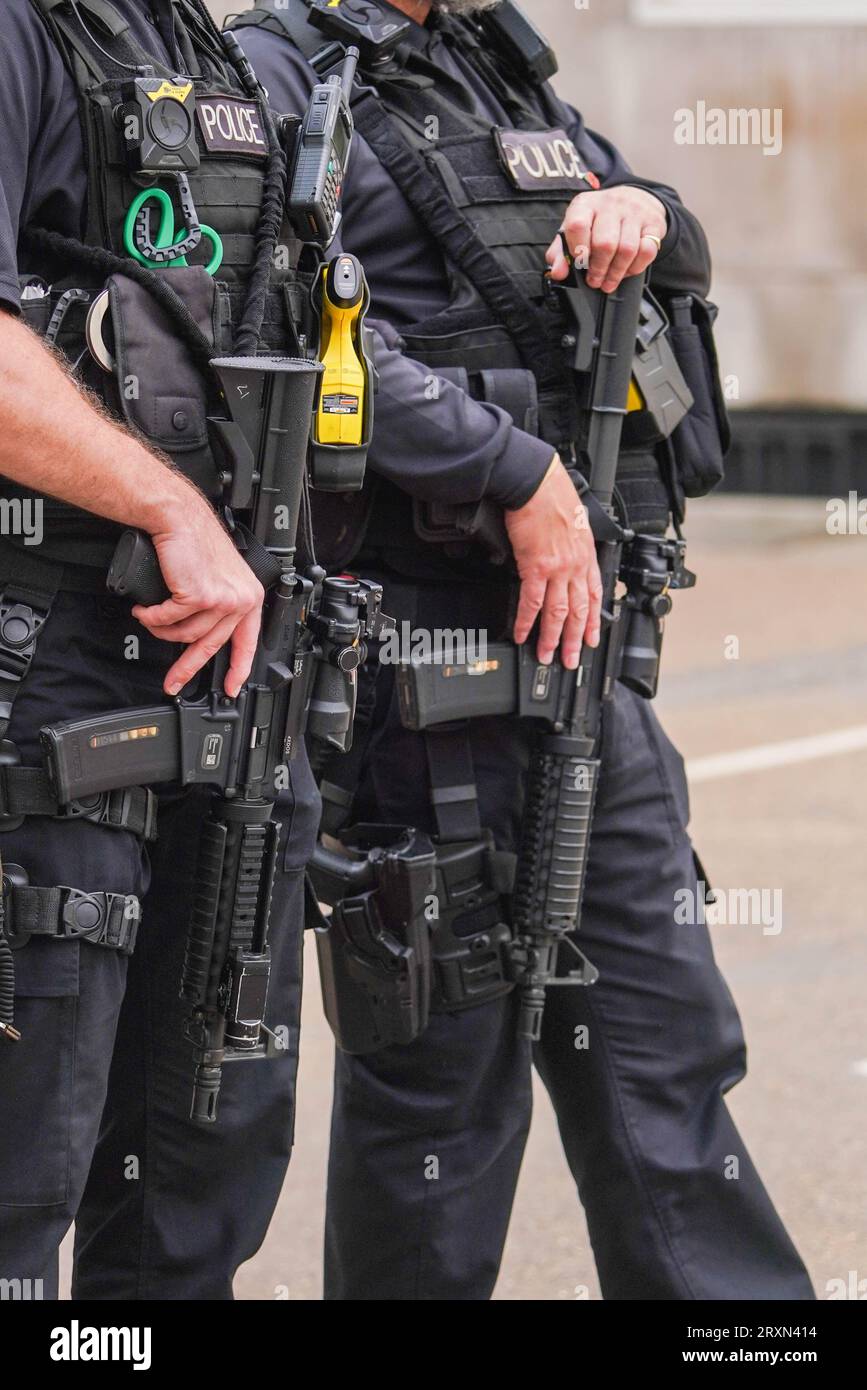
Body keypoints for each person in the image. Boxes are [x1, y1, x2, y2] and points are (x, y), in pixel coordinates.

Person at [234, 0, 816, 1301]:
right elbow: (292, 329)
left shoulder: (497, 59)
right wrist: (515, 469)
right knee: (435, 1136)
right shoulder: (277, 76)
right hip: (419, 701)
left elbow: (665, 235)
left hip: (585, 686)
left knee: (667, 1081)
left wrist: (645, 212)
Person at [0, 0, 320, 1299]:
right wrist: (168, 502)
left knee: (191, 1197)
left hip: (225, 693)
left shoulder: (209, 49)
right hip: (51, 689)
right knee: (22, 1179)